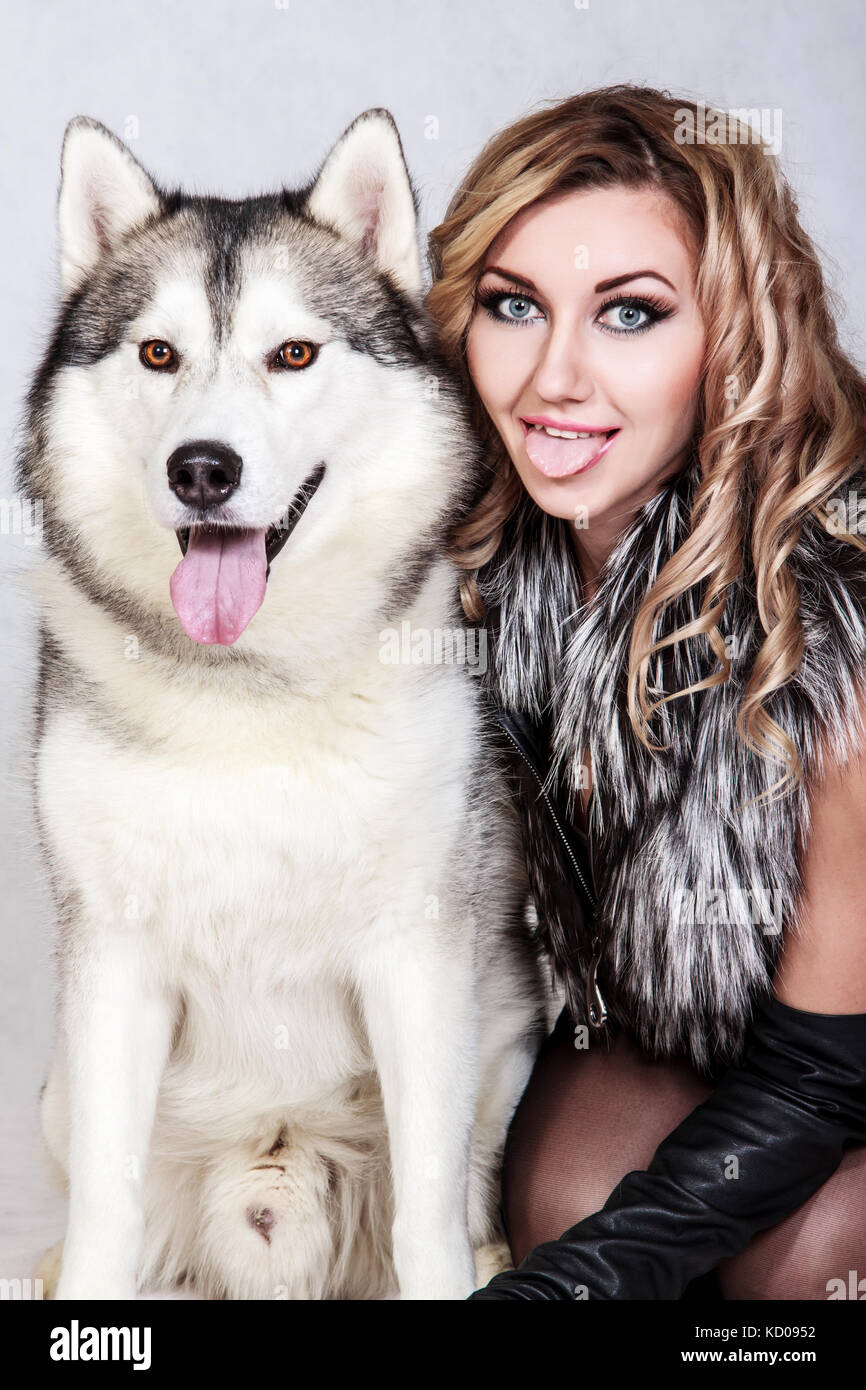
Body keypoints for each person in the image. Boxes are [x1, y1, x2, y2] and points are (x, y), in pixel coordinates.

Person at [425, 84, 866, 1300]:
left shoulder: (839, 619)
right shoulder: (462, 572)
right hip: (682, 1036)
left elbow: (827, 1074)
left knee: (803, 1268)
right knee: (570, 1191)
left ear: (732, 335)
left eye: (629, 314)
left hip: (840, 1061)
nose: (553, 377)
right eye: (514, 307)